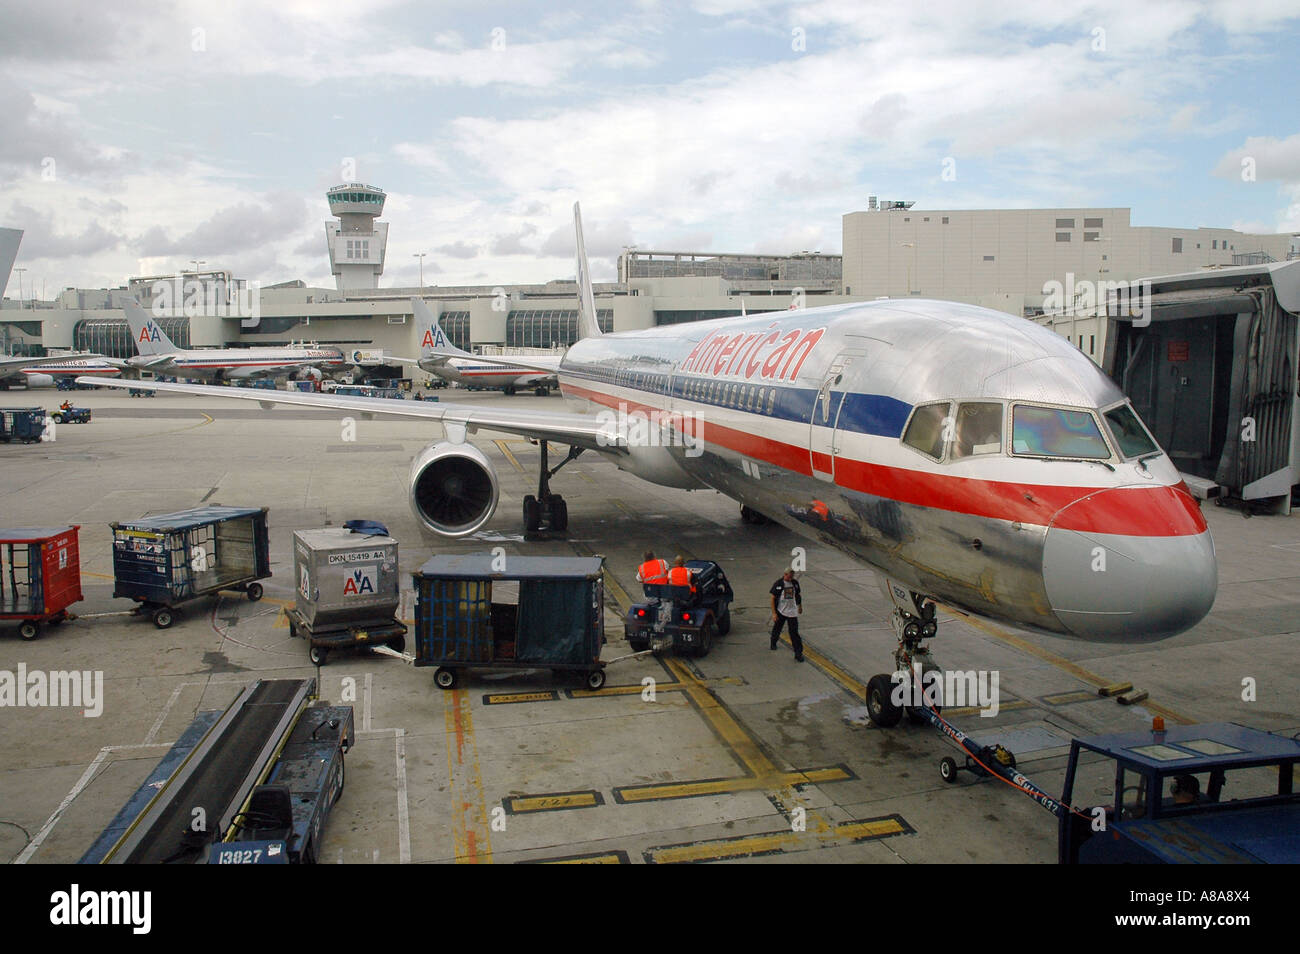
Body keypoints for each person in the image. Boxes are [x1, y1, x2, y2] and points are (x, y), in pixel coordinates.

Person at [770, 568, 803, 661]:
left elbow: (798, 595)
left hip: (792, 612)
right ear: (785, 574)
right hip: (781, 611)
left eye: (792, 577)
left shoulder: (795, 583)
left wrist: (800, 606)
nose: (791, 578)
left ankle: (798, 653)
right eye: (789, 577)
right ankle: (773, 642)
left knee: (794, 633)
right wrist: (774, 613)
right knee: (777, 628)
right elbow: (772, 598)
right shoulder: (778, 584)